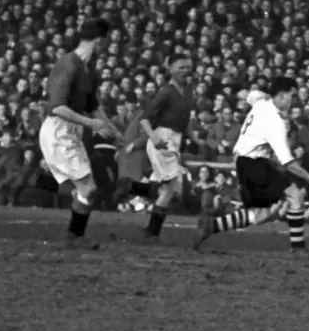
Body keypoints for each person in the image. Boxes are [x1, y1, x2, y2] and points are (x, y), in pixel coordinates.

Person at [194, 76, 309, 255]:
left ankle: (212, 225)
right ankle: (298, 247)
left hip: (247, 161)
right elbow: (287, 161)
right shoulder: (275, 121)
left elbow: (251, 95)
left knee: (262, 213)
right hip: (253, 163)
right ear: (282, 95)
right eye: (291, 96)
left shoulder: (261, 102)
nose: (293, 101)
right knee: (293, 194)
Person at [40, 19, 125, 249]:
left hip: (73, 130)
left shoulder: (88, 68)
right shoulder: (68, 64)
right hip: (58, 129)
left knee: (87, 189)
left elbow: (93, 105)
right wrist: (91, 123)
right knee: (88, 188)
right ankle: (74, 236)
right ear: (100, 39)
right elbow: (58, 107)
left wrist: (112, 130)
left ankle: (74, 236)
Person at [132, 54, 197, 242]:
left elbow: (184, 122)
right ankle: (151, 232)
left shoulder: (186, 91)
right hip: (163, 137)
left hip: (174, 139)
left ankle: (132, 188)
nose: (186, 71)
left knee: (170, 190)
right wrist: (154, 137)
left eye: (188, 67)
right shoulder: (166, 92)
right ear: (170, 68)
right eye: (181, 67)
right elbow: (145, 119)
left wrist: (195, 139)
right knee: (173, 190)